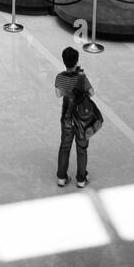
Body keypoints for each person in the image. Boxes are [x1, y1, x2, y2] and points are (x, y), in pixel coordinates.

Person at [55, 48, 94, 189]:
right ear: (77, 61)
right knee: (82, 148)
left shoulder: (59, 77)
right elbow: (92, 92)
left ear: (64, 61)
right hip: (82, 119)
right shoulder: (81, 77)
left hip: (67, 118)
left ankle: (61, 177)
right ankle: (81, 179)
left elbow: (58, 95)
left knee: (65, 147)